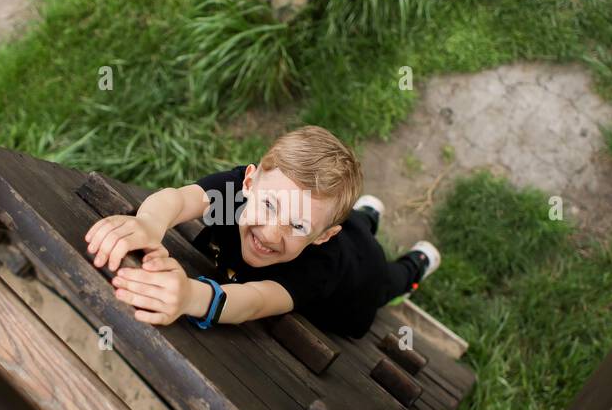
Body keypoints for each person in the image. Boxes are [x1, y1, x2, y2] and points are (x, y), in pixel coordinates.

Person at [83, 125, 441, 338]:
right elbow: (177, 201)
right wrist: (148, 224)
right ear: (250, 182)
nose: (271, 234)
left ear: (321, 237)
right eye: (269, 205)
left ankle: (416, 265)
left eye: (297, 225)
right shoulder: (234, 193)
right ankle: (365, 217)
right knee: (358, 224)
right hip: (338, 230)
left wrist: (191, 297)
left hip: (360, 279)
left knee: (388, 280)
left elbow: (254, 300)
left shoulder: (317, 269)